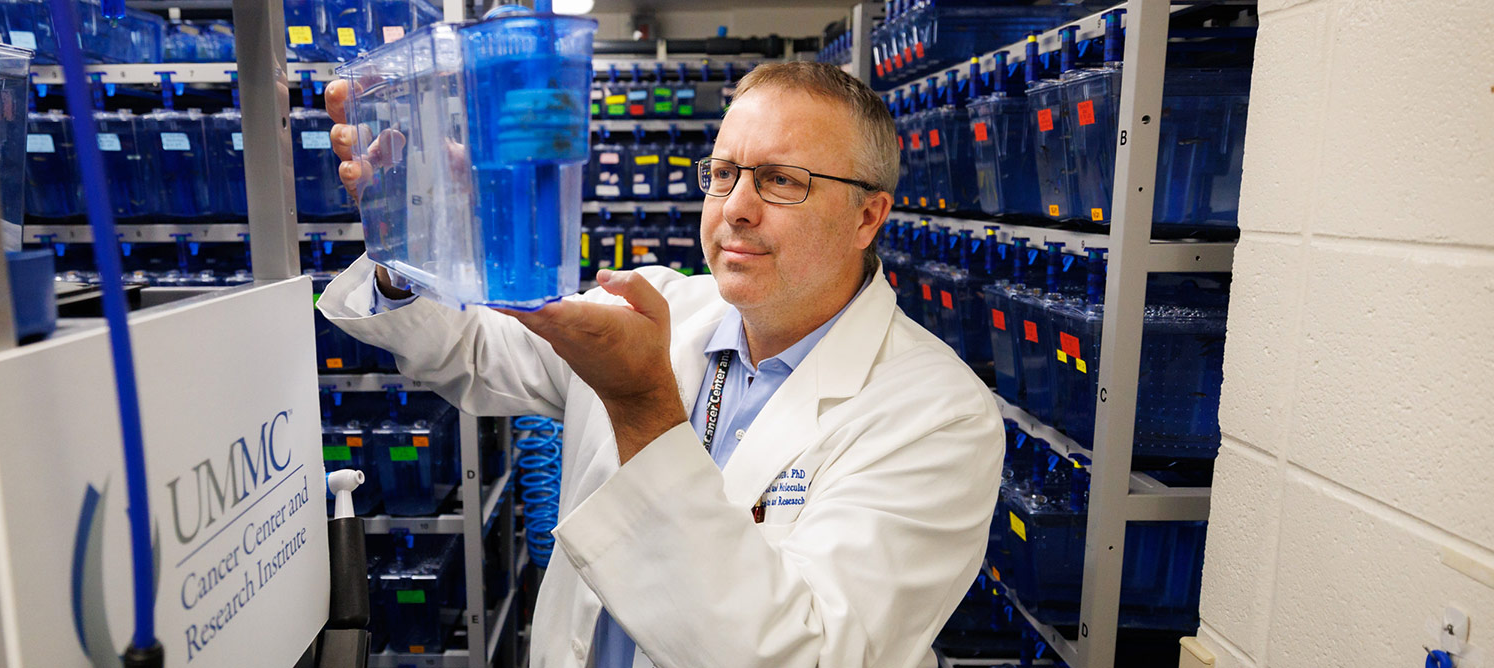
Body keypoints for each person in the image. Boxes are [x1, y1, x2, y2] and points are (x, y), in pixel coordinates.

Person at [319, 61, 1002, 668]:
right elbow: (472, 347)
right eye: (726, 174)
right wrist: (414, 244)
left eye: (780, 181)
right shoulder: (660, 310)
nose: (735, 209)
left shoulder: (937, 415)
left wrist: (643, 408)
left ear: (867, 217)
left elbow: (808, 654)